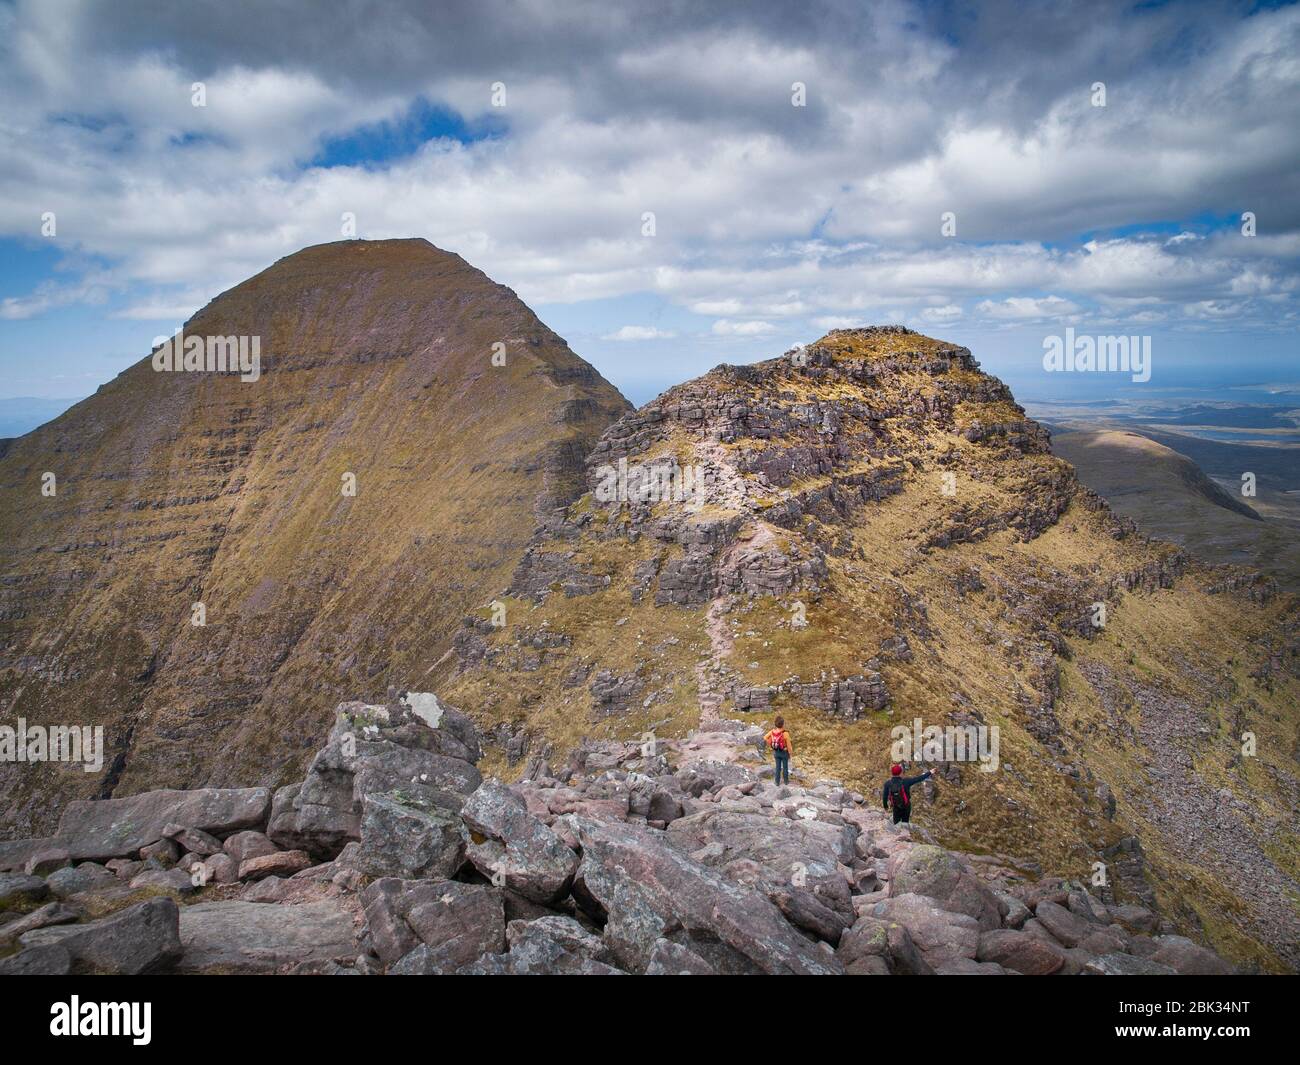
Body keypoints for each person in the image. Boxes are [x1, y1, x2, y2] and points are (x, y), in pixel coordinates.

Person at [764, 715, 792, 785]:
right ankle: (786, 781)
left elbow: (765, 737)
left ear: (775, 724)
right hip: (784, 752)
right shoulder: (785, 733)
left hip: (776, 752)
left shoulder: (772, 732)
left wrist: (771, 743)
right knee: (785, 767)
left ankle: (777, 782)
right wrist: (790, 753)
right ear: (783, 724)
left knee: (777, 767)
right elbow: (789, 745)